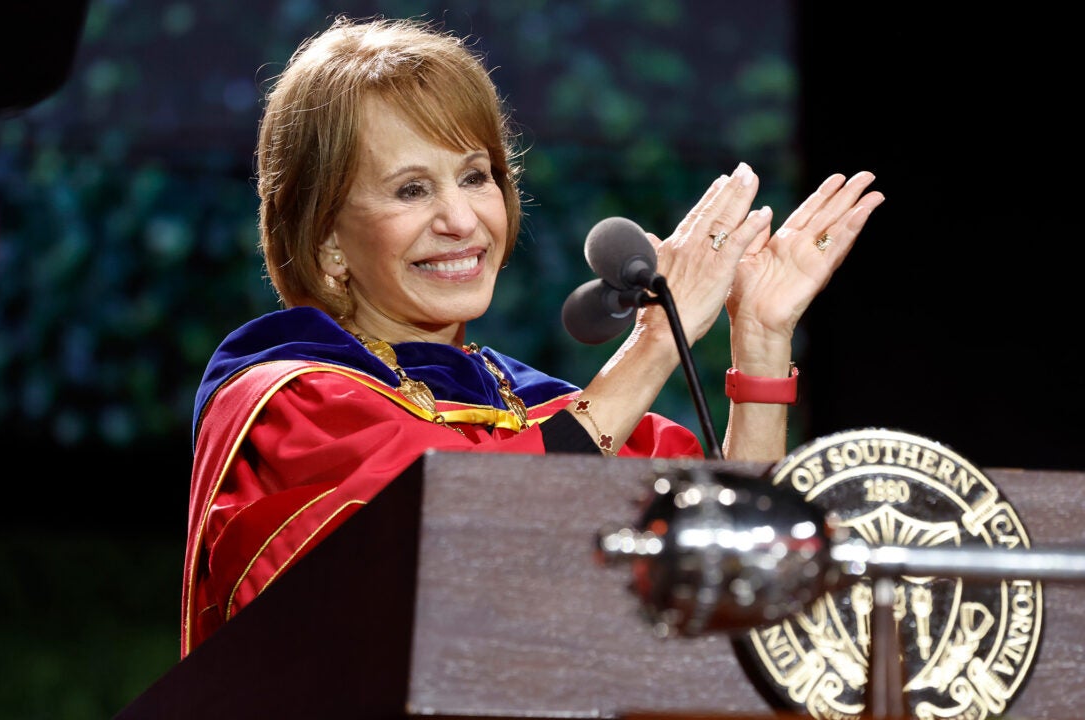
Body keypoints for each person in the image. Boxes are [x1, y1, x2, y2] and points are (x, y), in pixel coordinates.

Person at [180, 14, 884, 657]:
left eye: (475, 176)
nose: (461, 219)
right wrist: (654, 347)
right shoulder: (289, 402)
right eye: (411, 190)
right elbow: (452, 538)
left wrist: (760, 341)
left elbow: (737, 581)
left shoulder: (540, 405)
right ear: (329, 240)